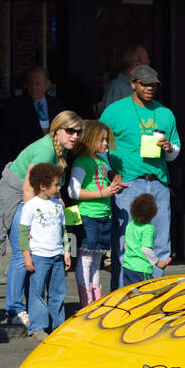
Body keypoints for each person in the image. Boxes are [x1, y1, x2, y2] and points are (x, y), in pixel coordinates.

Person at [0, 112, 83, 326]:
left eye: (78, 131)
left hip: (33, 197)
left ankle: (33, 308)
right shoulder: (45, 149)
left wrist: (57, 199)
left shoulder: (61, 150)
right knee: (23, 253)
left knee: (35, 254)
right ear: (57, 130)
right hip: (20, 197)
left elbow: (49, 182)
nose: (74, 136)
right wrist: (31, 223)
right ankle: (14, 310)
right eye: (70, 131)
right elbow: (29, 186)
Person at [100, 64, 178, 289]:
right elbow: (97, 147)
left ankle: (152, 297)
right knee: (127, 244)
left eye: (153, 84)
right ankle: (124, 298)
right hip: (128, 185)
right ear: (133, 84)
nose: (150, 88)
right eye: (144, 84)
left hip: (158, 183)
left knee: (160, 243)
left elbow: (176, 152)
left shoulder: (165, 113)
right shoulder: (114, 112)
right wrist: (111, 174)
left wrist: (169, 148)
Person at [68, 120, 125, 304]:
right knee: (85, 260)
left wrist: (116, 185)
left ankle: (95, 300)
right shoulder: (81, 161)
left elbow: (106, 180)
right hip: (88, 217)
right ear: (90, 139)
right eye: (101, 140)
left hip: (103, 217)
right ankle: (86, 301)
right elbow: (73, 191)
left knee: (97, 261)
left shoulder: (101, 161)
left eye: (106, 140)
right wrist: (103, 193)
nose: (105, 144)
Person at [19, 164, 70, 339]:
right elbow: (23, 233)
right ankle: (37, 327)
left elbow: (63, 230)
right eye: (56, 184)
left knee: (58, 293)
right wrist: (27, 256)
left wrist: (66, 252)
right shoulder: (31, 206)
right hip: (39, 256)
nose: (59, 187)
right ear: (42, 185)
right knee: (37, 293)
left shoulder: (58, 205)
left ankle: (58, 325)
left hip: (57, 255)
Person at [3, 66, 60, 163]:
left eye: (38, 84)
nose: (34, 87)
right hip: (25, 162)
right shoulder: (15, 105)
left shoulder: (56, 105)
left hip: (51, 161)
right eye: (31, 83)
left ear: (47, 85)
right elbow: (6, 138)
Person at [120, 192, 159, 286]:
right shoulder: (148, 228)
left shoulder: (130, 225)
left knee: (131, 296)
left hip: (128, 267)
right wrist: (157, 262)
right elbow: (145, 249)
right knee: (145, 296)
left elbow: (126, 245)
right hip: (141, 269)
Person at [101, 44, 151, 111]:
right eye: (146, 62)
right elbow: (108, 119)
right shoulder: (116, 88)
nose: (149, 63)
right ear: (136, 65)